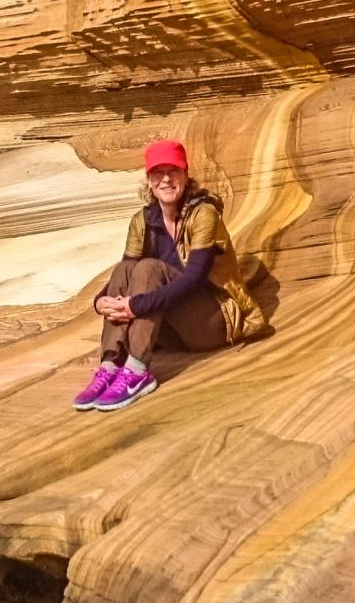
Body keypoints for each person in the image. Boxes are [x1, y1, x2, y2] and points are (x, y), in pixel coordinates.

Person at [74, 139, 264, 410]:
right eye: (158, 173)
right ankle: (110, 364)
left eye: (173, 171)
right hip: (171, 327)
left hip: (212, 323)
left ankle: (137, 370)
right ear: (149, 180)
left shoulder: (203, 214)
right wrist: (100, 301)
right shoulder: (143, 220)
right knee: (126, 268)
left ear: (186, 175)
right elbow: (125, 274)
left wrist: (135, 305)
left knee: (149, 268)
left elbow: (194, 278)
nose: (166, 179)